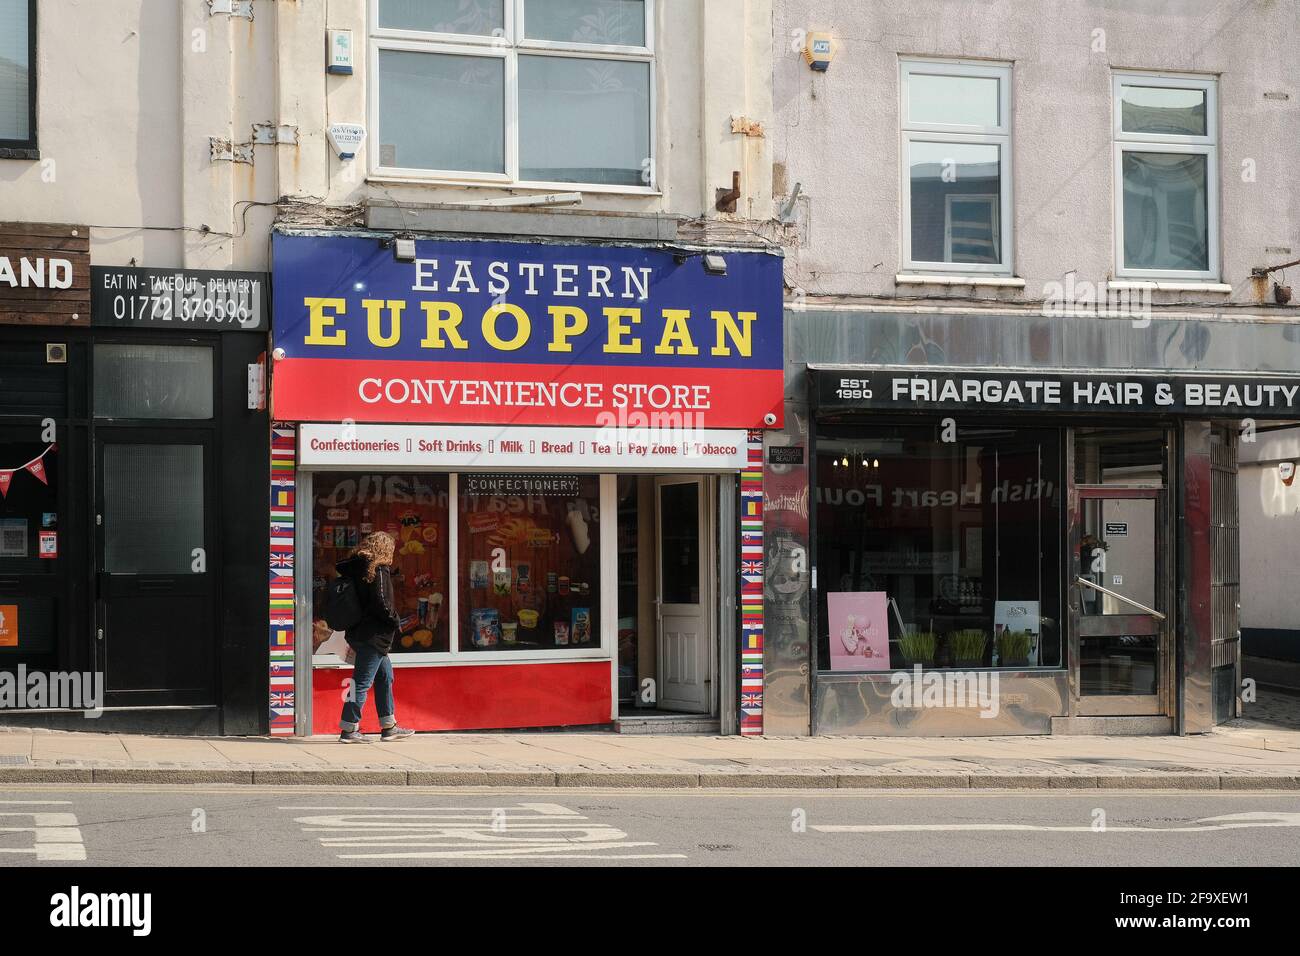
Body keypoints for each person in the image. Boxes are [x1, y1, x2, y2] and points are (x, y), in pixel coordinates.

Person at [336, 532, 415, 743]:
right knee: (361, 682)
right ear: (385, 549)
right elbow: (382, 602)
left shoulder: (355, 568)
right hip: (374, 636)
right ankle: (349, 729)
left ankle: (389, 726)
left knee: (385, 677)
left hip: (358, 632)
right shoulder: (378, 569)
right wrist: (395, 620)